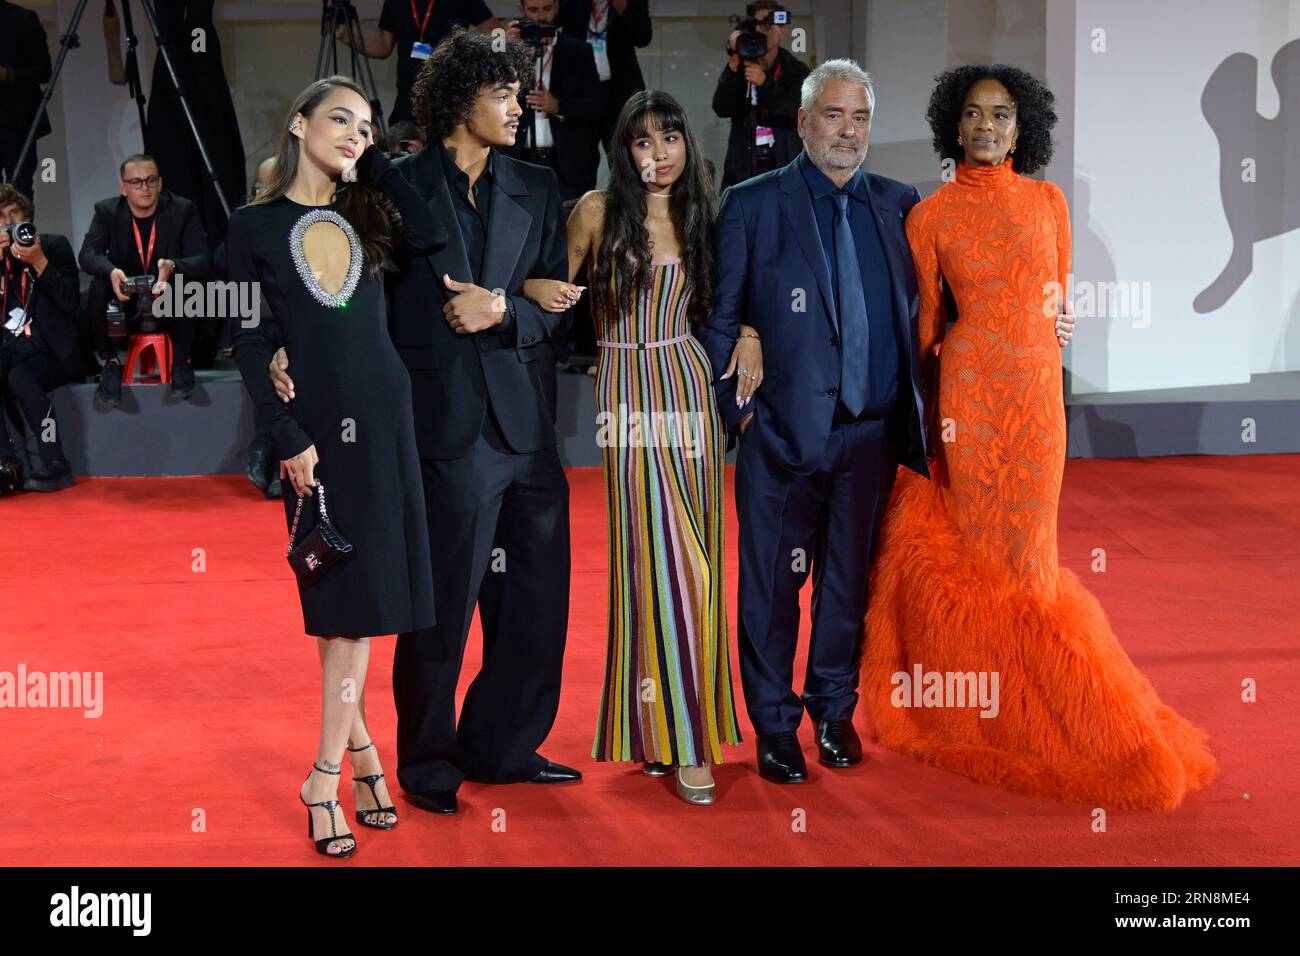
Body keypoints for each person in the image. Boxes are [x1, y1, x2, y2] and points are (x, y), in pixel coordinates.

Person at [861, 65, 1216, 810]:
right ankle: (986, 710)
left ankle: (1036, 710)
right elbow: (926, 330)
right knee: (980, 552)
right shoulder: (928, 218)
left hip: (1034, 398)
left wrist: (1055, 327)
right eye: (973, 114)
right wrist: (932, 420)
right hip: (968, 397)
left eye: (1002, 115)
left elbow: (1055, 300)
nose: (987, 126)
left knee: (1030, 559)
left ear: (1024, 129)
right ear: (952, 127)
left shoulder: (1049, 202)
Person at [269, 29, 579, 815]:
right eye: (502, 93)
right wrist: (286, 343)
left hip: (529, 428)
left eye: (519, 93)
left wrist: (504, 308)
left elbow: (560, 310)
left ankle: (506, 747)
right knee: (438, 613)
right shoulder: (391, 188)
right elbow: (346, 293)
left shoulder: (540, 187)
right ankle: (431, 762)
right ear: (458, 101)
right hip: (440, 430)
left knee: (536, 609)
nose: (518, 106)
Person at [694, 59, 931, 785]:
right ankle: (773, 724)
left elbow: (927, 311)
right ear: (803, 122)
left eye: (859, 117)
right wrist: (744, 415)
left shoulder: (898, 204)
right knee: (769, 587)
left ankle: (833, 711)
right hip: (780, 438)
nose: (848, 131)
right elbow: (718, 319)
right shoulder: (752, 203)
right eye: (833, 115)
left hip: (870, 436)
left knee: (845, 586)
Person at [227, 76, 447, 857]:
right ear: (298, 122)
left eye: (365, 126)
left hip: (387, 423)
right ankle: (327, 771)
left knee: (353, 611)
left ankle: (358, 756)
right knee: (342, 605)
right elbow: (250, 340)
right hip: (319, 432)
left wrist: (377, 167)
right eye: (338, 120)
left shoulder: (367, 210)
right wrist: (285, 434)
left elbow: (432, 233)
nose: (355, 134)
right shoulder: (250, 227)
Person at [530, 91, 761, 805]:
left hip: (687, 384)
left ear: (687, 143)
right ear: (621, 150)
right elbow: (545, 296)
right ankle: (684, 738)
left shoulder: (699, 216)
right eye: (641, 142)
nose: (657, 154)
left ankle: (668, 729)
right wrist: (530, 290)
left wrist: (751, 332)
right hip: (628, 391)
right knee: (656, 562)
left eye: (669, 137)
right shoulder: (597, 211)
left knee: (697, 560)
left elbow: (731, 301)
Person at [79, 155, 212, 405]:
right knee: (99, 284)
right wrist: (111, 271)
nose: (145, 188)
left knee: (190, 282)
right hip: (126, 302)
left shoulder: (181, 209)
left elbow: (203, 259)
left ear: (160, 183)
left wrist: (172, 266)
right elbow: (87, 254)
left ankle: (181, 363)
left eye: (151, 181)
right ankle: (110, 363)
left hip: (169, 303)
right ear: (123, 187)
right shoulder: (107, 211)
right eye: (136, 182)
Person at [0, 185, 79, 492]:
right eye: (1, 218)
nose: (8, 223)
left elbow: (70, 301)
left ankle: (56, 464)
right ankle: (6, 465)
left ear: (28, 217)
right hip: (10, 347)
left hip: (50, 350)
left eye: (14, 215)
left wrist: (38, 261)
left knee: (21, 378)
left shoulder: (55, 247)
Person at [333, 0, 500, 127]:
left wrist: (473, 58)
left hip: (451, 93)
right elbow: (382, 47)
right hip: (409, 95)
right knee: (405, 152)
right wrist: (347, 36)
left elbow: (496, 31)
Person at [503, 0, 603, 203]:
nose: (540, 17)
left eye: (546, 9)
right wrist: (507, 49)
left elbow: (595, 104)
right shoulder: (508, 52)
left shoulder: (579, 51)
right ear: (522, 10)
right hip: (517, 159)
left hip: (566, 166)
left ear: (557, 7)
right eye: (533, 10)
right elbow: (490, 97)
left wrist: (559, 107)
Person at [712, 1, 809, 189]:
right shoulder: (740, 68)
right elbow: (721, 107)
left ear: (782, 32)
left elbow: (794, 116)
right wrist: (733, 65)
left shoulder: (795, 71)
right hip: (743, 173)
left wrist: (765, 83)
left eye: (766, 25)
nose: (759, 31)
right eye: (754, 25)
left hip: (784, 172)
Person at [556, 0, 652, 153]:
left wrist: (622, 8)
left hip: (618, 92)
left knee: (624, 155)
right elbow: (550, 20)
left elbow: (643, 38)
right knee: (580, 160)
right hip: (580, 93)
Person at [0, 0, 52, 203]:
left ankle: (20, 235)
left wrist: (7, 74)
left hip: (17, 120)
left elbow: (44, 70)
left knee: (19, 189)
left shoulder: (21, 19)